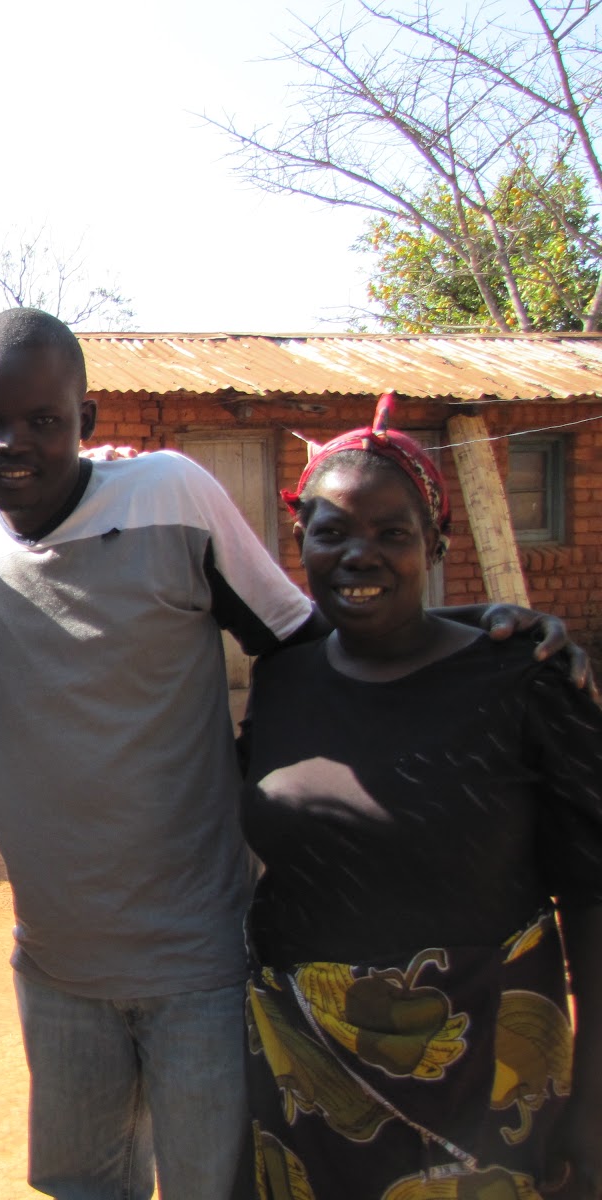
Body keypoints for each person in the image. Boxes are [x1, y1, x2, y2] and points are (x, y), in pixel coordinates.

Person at [0, 308, 588, 1200]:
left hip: (205, 963)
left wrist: (484, 636)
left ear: (89, 421)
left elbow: (317, 632)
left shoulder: (170, 498)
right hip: (56, 969)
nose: (13, 443)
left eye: (45, 420)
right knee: (80, 1186)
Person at [240, 398, 602, 1199]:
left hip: (487, 1087)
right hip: (308, 1088)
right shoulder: (282, 680)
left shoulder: (525, 682)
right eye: (332, 532)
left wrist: (596, 1104)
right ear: (300, 542)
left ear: (435, 542)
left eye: (392, 533)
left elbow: (593, 898)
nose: (359, 554)